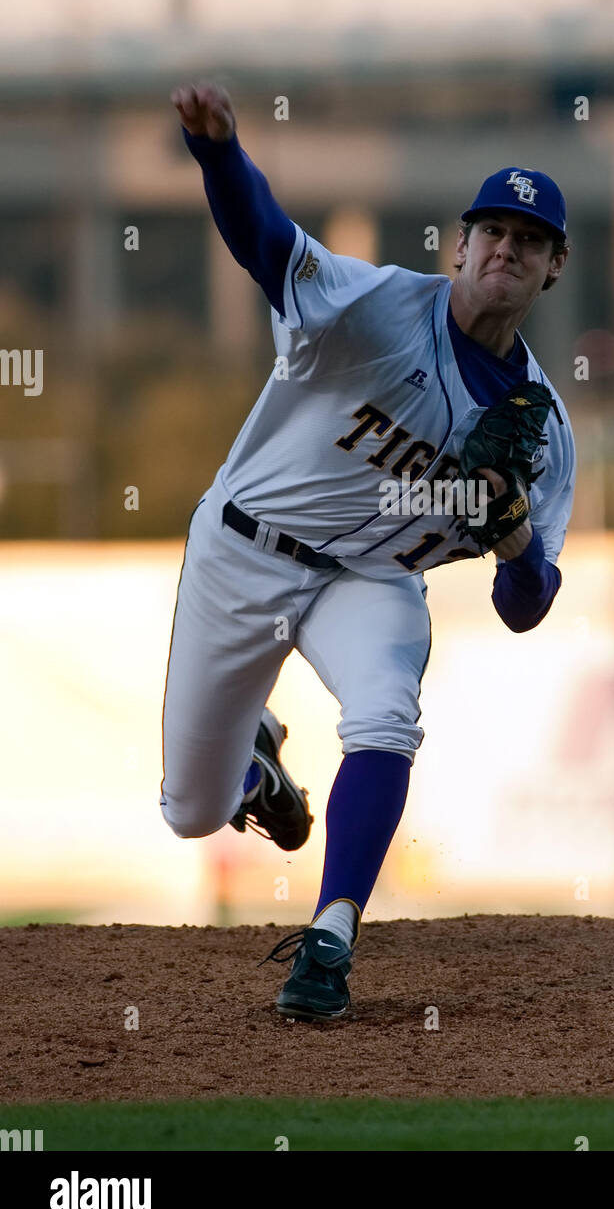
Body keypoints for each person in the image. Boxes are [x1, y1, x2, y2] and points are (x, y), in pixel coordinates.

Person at [161, 81, 576, 1021]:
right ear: (459, 246)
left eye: (530, 240)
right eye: (492, 232)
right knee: (188, 811)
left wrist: (511, 535)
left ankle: (330, 938)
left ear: (554, 267)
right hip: (246, 551)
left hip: (372, 579)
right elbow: (267, 244)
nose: (506, 248)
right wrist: (220, 153)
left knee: (388, 712)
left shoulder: (543, 433)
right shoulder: (376, 305)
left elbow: (528, 603)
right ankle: (251, 770)